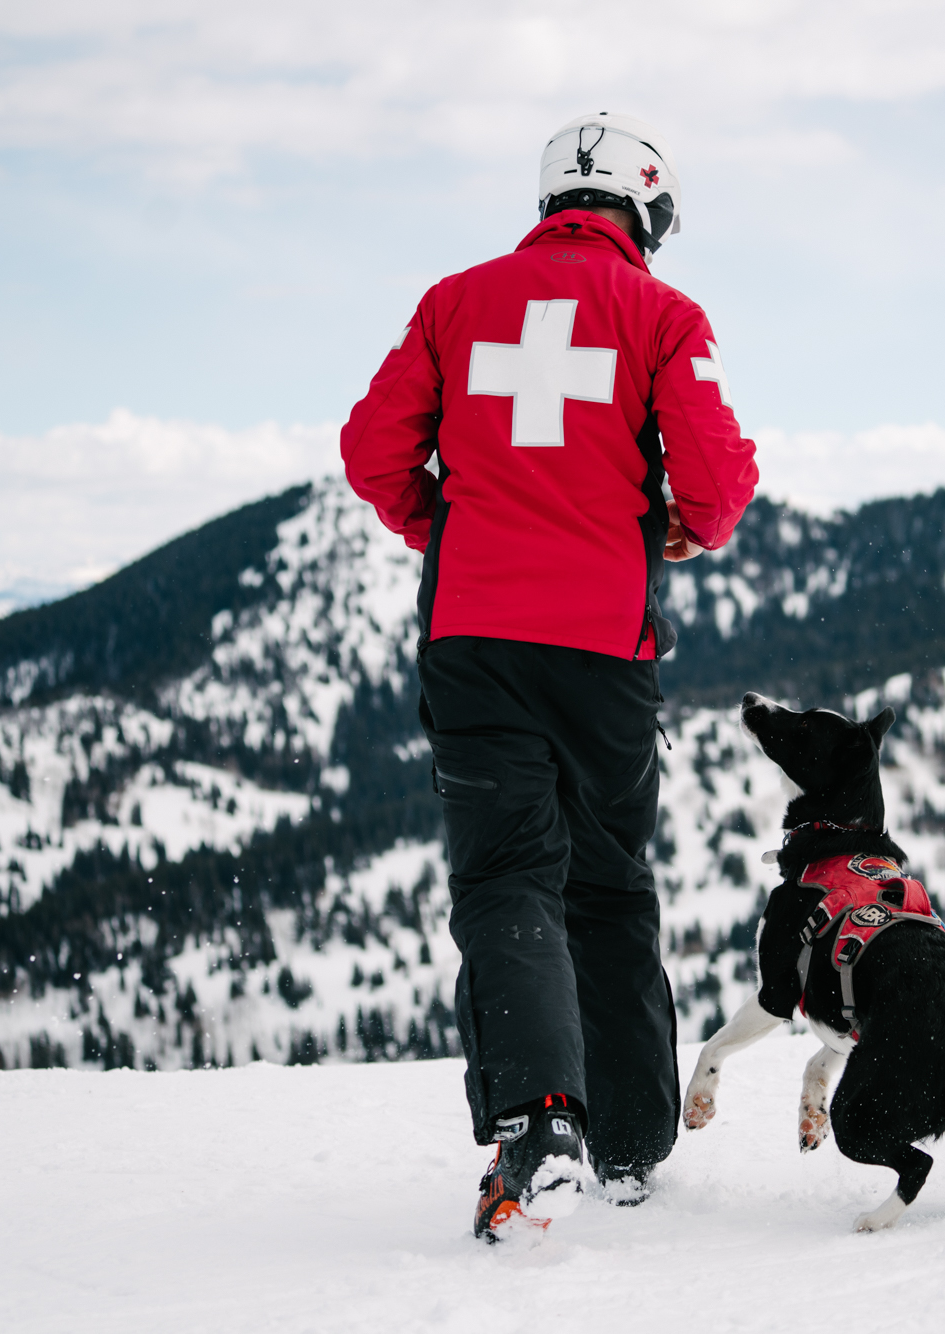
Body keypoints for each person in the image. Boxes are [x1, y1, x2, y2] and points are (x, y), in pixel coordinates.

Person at [339, 112, 758, 1240]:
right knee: (608, 881)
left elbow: (373, 451)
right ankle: (626, 1139)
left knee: (505, 879)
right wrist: (671, 523)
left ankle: (536, 1129)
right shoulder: (663, 316)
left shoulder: (452, 302)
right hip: (602, 649)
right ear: (646, 211)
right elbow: (716, 486)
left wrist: (443, 524)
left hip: (474, 640)